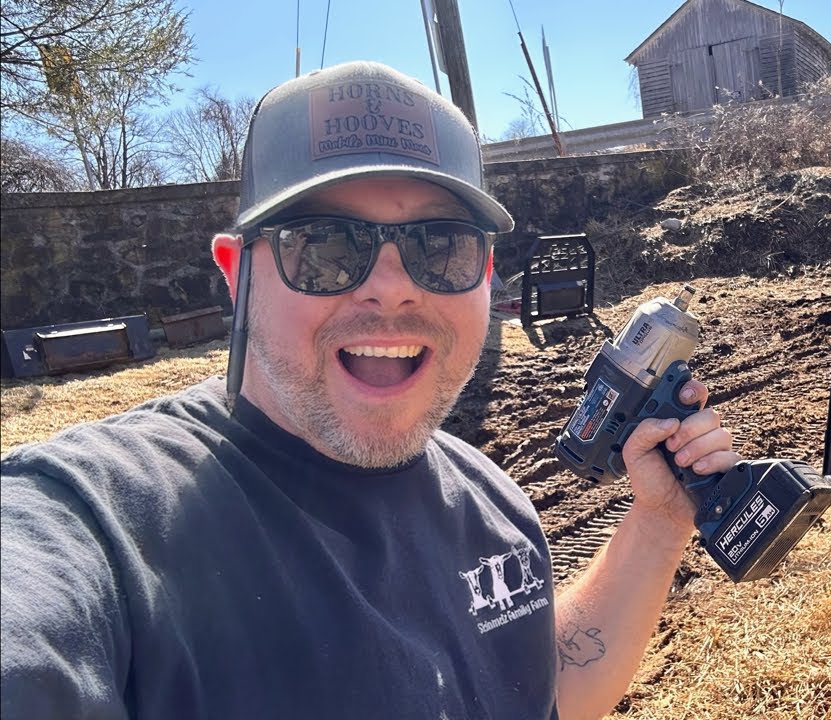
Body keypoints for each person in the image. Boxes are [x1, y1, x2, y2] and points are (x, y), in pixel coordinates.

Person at [0, 61, 738, 720]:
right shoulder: (98, 523)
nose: (391, 290)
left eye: (440, 245)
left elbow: (536, 693)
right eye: (323, 245)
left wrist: (658, 522)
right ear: (237, 276)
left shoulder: (494, 508)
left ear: (485, 276)